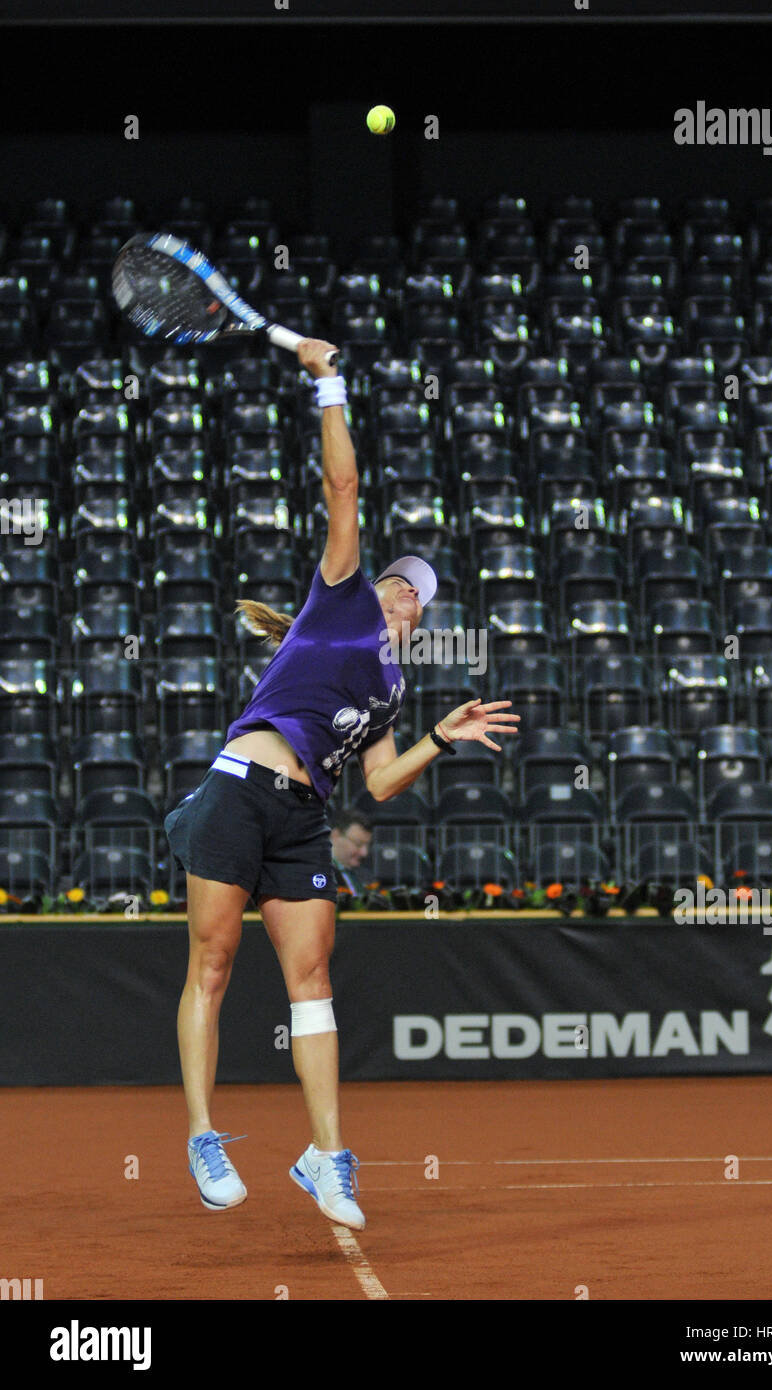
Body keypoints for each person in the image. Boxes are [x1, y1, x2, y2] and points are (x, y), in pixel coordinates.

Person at [163, 338, 520, 1231]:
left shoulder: (393, 686)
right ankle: (204, 1137)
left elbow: (383, 783)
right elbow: (343, 489)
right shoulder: (342, 597)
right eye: (402, 581)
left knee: (313, 977)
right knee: (212, 964)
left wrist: (441, 734)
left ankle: (325, 1160)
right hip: (240, 788)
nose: (407, 593)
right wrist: (331, 385)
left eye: (417, 592)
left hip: (302, 820)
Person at [329, 808, 373, 896]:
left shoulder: (367, 878)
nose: (364, 853)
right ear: (335, 835)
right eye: (358, 844)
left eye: (367, 845)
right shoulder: (314, 873)